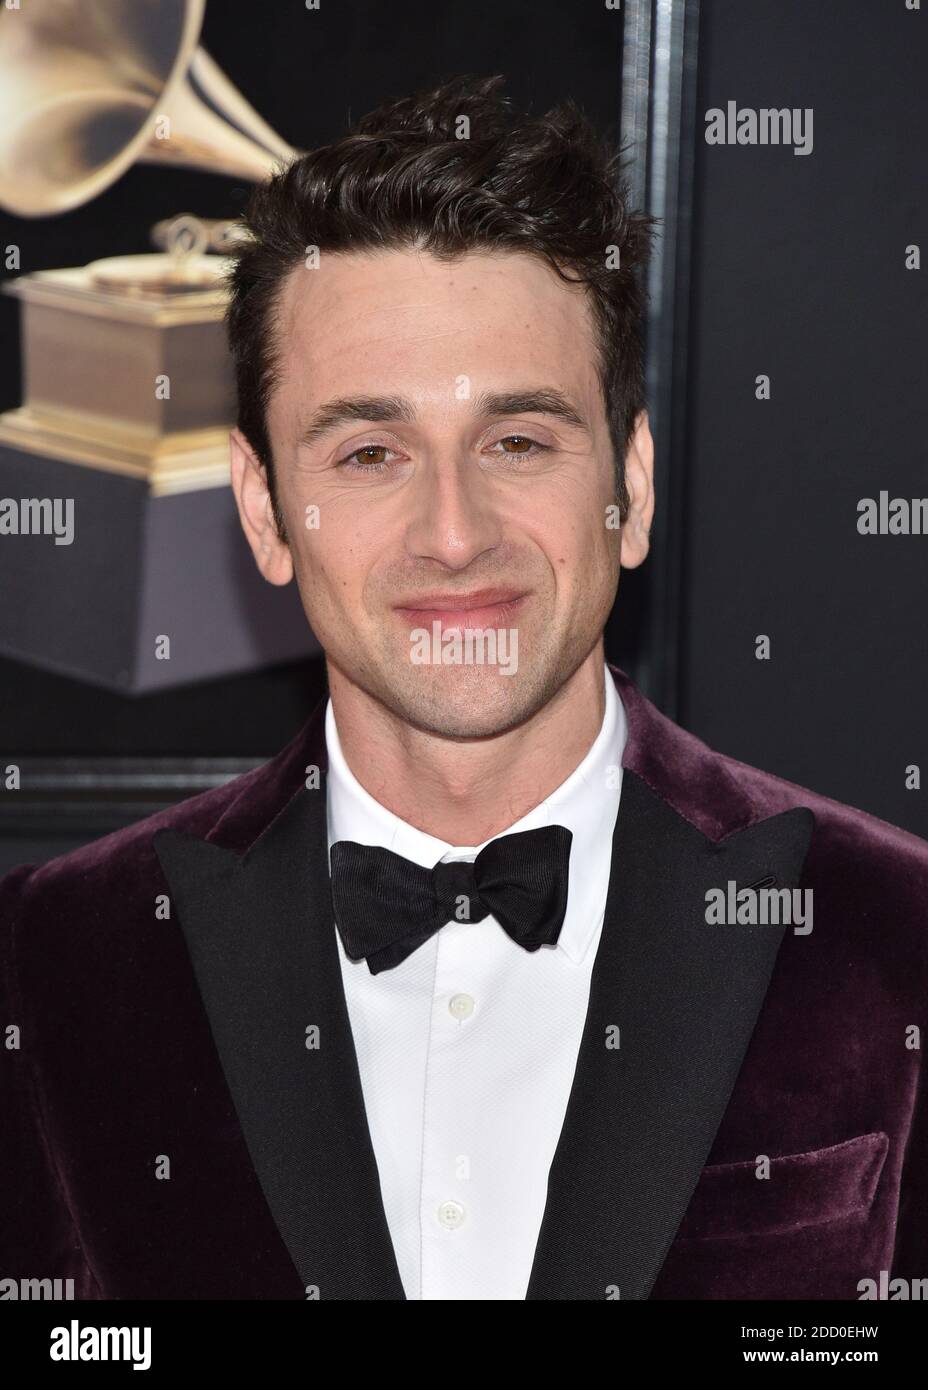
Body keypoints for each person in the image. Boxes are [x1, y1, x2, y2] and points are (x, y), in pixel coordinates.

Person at [1, 75, 925, 1303]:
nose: (453, 533)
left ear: (630, 490)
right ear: (265, 509)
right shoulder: (45, 960)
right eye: (370, 452)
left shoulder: (897, 938)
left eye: (519, 441)